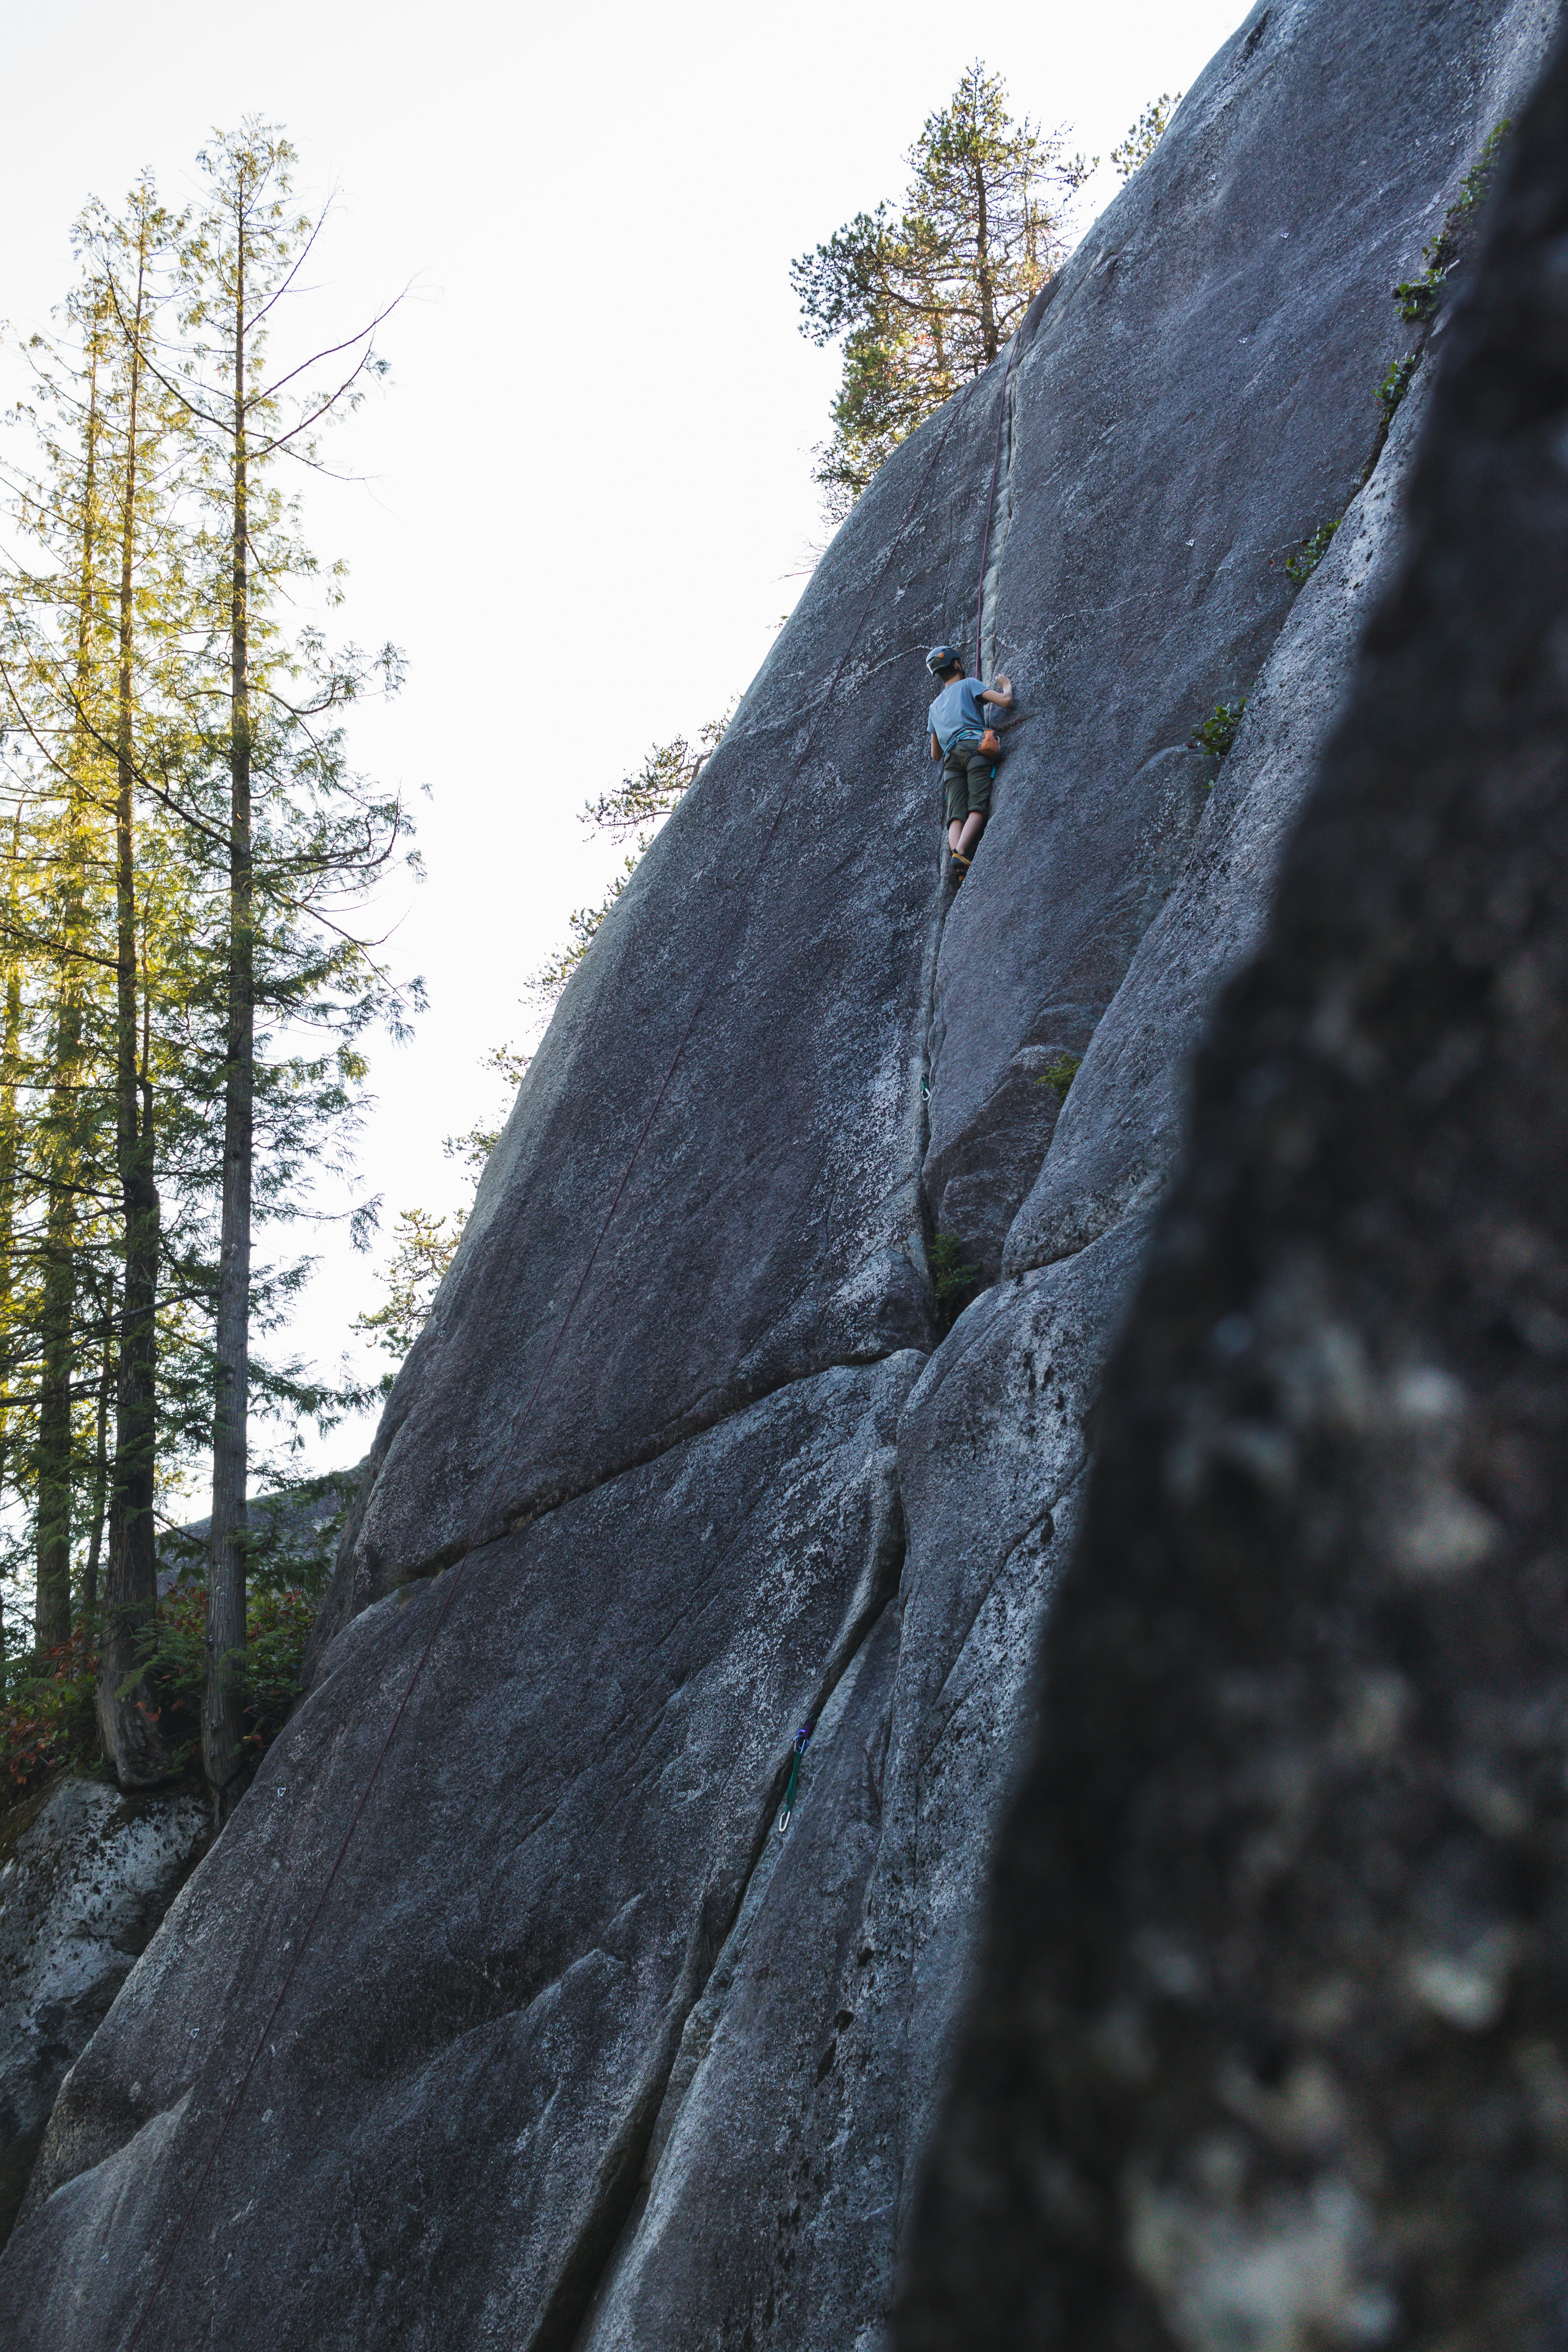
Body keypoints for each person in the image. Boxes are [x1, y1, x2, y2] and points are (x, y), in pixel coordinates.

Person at [925, 645, 1013, 874]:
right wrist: (1006, 685)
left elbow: (935, 754)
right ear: (957, 664)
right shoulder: (969, 684)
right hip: (974, 748)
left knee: (956, 812)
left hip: (950, 760)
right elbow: (1005, 702)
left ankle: (957, 859)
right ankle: (962, 851)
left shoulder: (934, 707)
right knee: (977, 804)